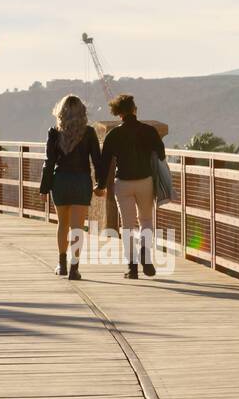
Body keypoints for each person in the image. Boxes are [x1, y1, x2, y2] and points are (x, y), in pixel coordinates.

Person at [100, 93, 166, 279]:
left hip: (123, 183)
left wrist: (100, 185)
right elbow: (161, 154)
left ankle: (132, 268)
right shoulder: (149, 131)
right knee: (145, 220)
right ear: (134, 110)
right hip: (145, 181)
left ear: (118, 113)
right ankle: (146, 253)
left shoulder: (114, 134)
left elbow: (105, 162)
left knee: (128, 226)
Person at [40, 95, 104, 280]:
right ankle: (74, 268)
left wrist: (44, 188)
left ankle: (61, 265)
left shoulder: (54, 133)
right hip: (81, 181)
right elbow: (97, 161)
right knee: (77, 227)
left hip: (60, 181)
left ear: (61, 112)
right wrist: (101, 183)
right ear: (82, 111)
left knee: (63, 225)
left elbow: (49, 162)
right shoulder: (89, 132)